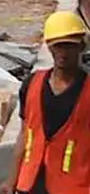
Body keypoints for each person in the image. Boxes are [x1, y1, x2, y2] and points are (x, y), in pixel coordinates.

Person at [6, 10, 90, 194]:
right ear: (49, 47)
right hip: (30, 182)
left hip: (74, 186)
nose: (63, 52)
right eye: (57, 46)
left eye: (69, 46)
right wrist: (11, 181)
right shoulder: (32, 84)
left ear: (81, 46)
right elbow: (24, 135)